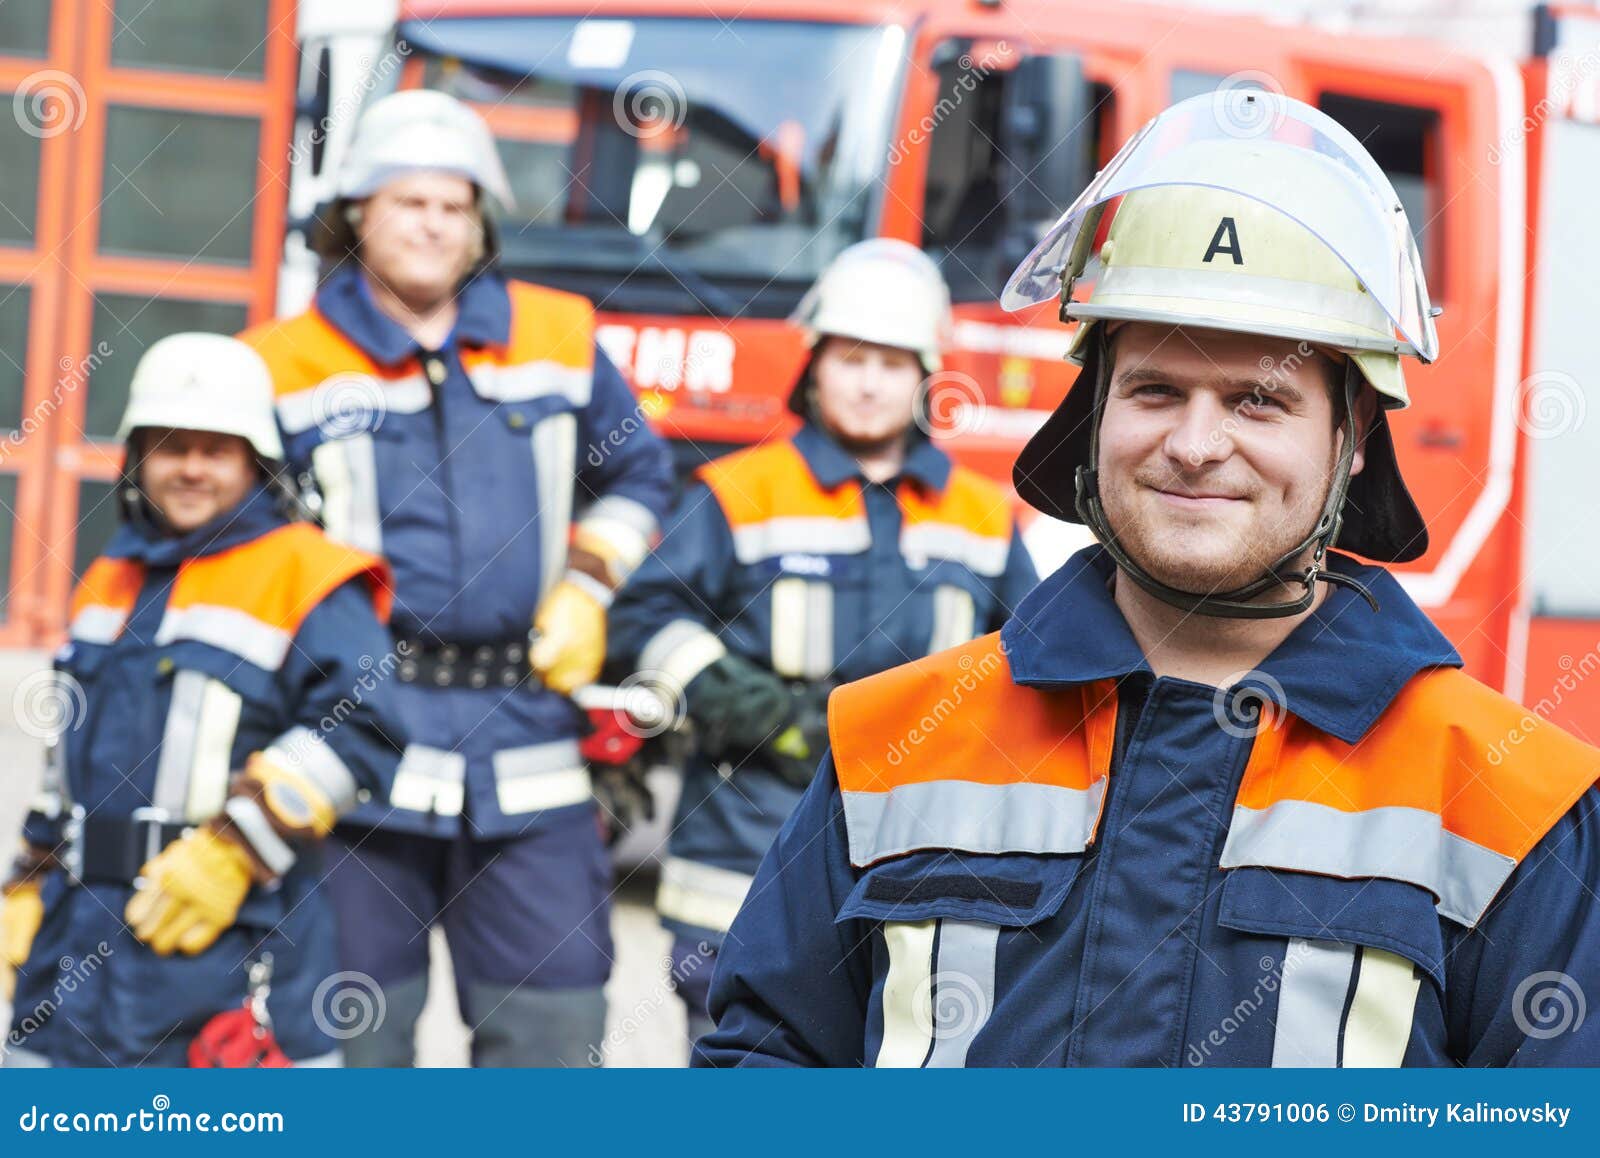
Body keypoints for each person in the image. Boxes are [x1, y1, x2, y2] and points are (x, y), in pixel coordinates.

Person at [695, 92, 1600, 1067]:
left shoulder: (1513, 798)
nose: (1195, 444)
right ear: (1093, 417)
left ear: (1350, 443)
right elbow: (764, 1065)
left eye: (1258, 400)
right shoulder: (891, 746)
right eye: (1155, 389)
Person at [240, 90, 674, 1067]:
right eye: (408, 201)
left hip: (527, 744)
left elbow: (641, 473)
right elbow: (237, 546)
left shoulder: (557, 337)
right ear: (357, 214)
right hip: (355, 746)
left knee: (553, 1041)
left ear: (479, 221)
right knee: (347, 1044)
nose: (433, 223)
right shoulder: (277, 364)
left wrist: (588, 582)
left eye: (454, 204)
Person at [608, 239, 1038, 1050]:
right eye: (851, 359)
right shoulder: (741, 490)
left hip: (921, 852)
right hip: (746, 842)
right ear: (814, 366)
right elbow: (640, 620)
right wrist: (763, 712)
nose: (871, 382)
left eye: (892, 362)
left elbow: (1031, 660)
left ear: (925, 377)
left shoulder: (983, 518)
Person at [0, 333, 401, 1067]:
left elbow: (366, 726)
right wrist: (26, 881)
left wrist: (236, 846)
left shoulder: (306, 573)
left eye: (215, 449)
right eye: (170, 446)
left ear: (257, 461)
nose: (190, 468)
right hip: (73, 948)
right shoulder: (113, 575)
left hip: (231, 940)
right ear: (136, 457)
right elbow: (67, 762)